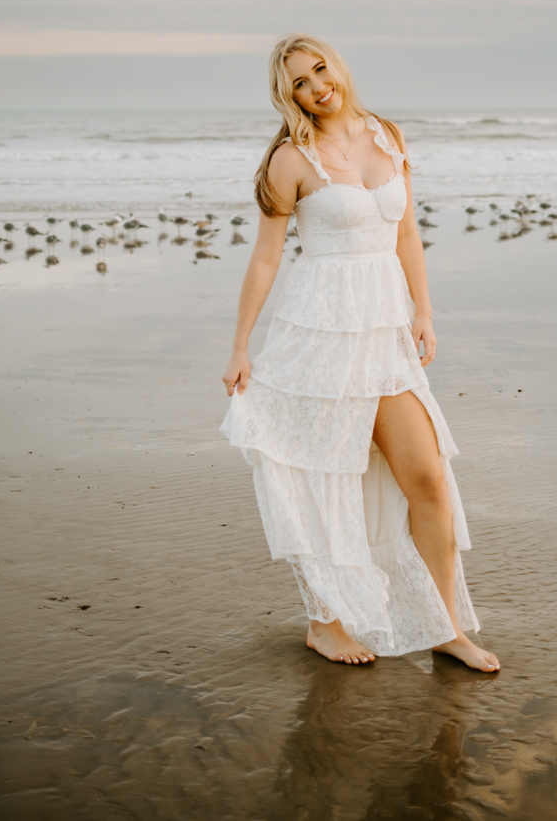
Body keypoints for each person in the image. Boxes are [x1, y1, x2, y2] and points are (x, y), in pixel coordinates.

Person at [221, 34, 499, 671]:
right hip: (320, 335)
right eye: (298, 82)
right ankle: (325, 623)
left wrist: (423, 310)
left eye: (320, 69)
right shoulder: (290, 161)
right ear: (286, 95)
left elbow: (406, 232)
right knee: (325, 479)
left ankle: (446, 628)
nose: (316, 86)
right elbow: (266, 258)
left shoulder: (387, 135)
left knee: (427, 479)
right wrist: (239, 345)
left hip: (385, 331)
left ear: (338, 67)